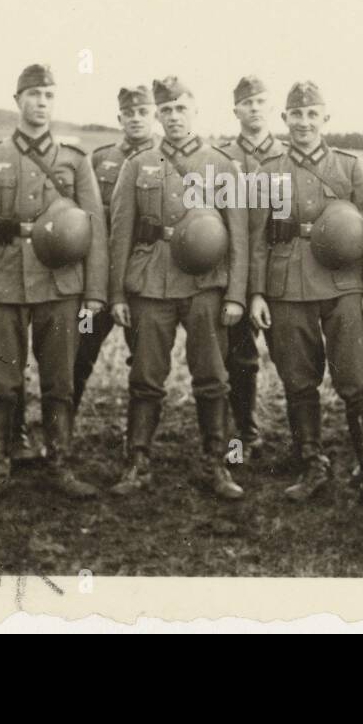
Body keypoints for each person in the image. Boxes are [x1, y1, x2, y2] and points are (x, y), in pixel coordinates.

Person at [0, 63, 108, 502]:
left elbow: (94, 228)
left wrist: (95, 292)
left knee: (59, 379)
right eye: (33, 95)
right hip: (2, 281)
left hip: (60, 284)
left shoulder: (74, 161)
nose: (41, 103)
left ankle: (58, 462)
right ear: (17, 101)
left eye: (48, 96)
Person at [248, 81, 363, 511]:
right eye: (296, 115)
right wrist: (257, 293)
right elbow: (258, 237)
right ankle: (311, 464)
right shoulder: (268, 170)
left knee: (358, 377)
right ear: (285, 119)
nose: (304, 123)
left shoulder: (349, 167)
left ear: (325, 119)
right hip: (287, 286)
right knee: (298, 379)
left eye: (313, 114)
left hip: (343, 283)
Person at [106, 76, 247, 500]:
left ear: (196, 110)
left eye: (181, 109)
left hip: (205, 286)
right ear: (157, 115)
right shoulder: (138, 165)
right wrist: (116, 294)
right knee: (146, 375)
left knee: (212, 374)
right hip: (151, 282)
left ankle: (215, 463)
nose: (174, 117)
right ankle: (138, 462)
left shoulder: (221, 165)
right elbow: (120, 232)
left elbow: (238, 235)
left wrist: (237, 294)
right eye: (165, 110)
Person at [72, 85, 158, 413]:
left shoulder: (166, 158)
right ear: (119, 117)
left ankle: (137, 445)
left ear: (155, 115)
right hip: (99, 280)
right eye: (130, 113)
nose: (136, 119)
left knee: (145, 363)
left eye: (143, 112)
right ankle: (59, 438)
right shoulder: (100, 159)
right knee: (77, 354)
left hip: (143, 278)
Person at [216, 75, 281, 460]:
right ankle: (243, 435)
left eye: (260, 101)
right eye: (247, 103)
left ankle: (305, 447)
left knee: (292, 361)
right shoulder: (221, 159)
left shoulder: (288, 157)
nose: (254, 108)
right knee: (239, 360)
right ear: (235, 110)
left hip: (281, 273)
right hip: (237, 274)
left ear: (270, 107)